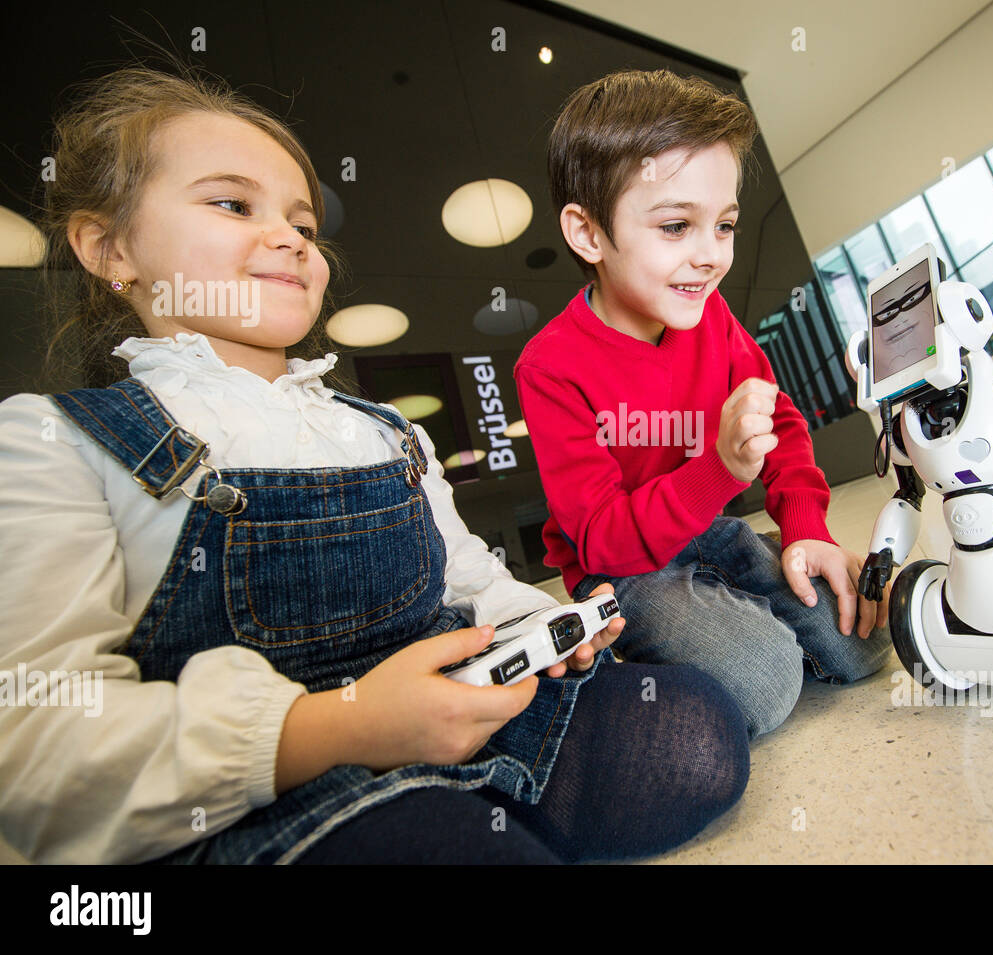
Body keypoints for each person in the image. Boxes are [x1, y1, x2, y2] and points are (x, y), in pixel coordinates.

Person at [0, 63, 749, 865]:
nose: (290, 237)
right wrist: (342, 725)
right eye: (232, 204)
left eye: (303, 222)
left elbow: (466, 575)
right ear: (108, 247)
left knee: (700, 730)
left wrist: (538, 627)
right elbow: (39, 743)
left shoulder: (385, 430)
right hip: (269, 793)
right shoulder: (54, 438)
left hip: (461, 714)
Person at [514, 70, 894, 741]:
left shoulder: (711, 316)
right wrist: (719, 468)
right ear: (588, 233)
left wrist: (807, 528)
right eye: (676, 226)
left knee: (860, 643)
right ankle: (621, 655)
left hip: (705, 533)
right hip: (623, 569)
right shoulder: (550, 368)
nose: (711, 256)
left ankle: (750, 577)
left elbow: (780, 420)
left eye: (724, 225)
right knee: (764, 679)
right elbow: (601, 535)